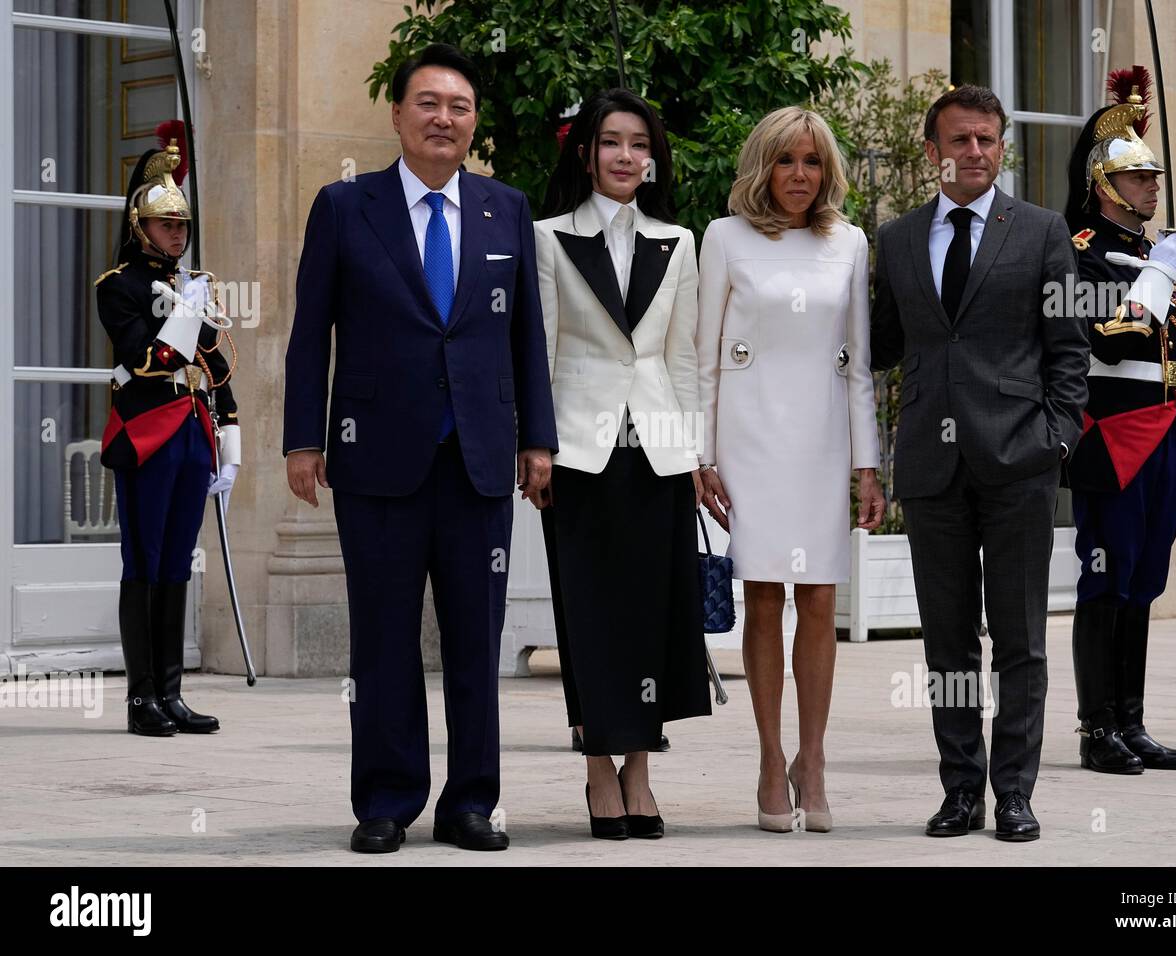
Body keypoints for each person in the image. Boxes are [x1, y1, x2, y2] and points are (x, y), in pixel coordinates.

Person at [282, 43, 557, 854]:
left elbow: (525, 339)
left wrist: (536, 439)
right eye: (429, 103)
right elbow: (308, 336)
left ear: (475, 123)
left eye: (460, 106)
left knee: (477, 637)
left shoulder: (505, 208)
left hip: (477, 458)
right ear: (398, 114)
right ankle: (386, 800)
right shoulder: (344, 206)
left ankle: (472, 801)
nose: (445, 118)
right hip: (376, 460)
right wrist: (304, 439)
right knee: (384, 638)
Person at [869, 86, 1089, 841]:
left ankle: (1015, 794)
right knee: (949, 641)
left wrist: (1057, 438)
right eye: (960, 140)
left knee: (1021, 637)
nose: (974, 153)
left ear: (1001, 148)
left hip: (1019, 460)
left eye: (987, 140)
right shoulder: (896, 240)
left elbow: (1069, 348)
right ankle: (960, 790)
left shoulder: (1042, 232)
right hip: (932, 466)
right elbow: (880, 346)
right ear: (933, 151)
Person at [696, 106, 884, 834]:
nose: (799, 175)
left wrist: (866, 466)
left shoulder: (850, 243)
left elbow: (860, 366)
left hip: (821, 440)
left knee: (819, 598)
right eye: (785, 161)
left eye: (811, 161)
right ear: (762, 167)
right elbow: (703, 358)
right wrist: (699, 455)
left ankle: (814, 760)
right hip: (747, 440)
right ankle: (770, 761)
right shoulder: (724, 237)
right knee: (764, 597)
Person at [534, 88, 712, 840]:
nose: (626, 157)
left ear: (653, 159)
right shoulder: (547, 238)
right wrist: (534, 446)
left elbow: (683, 360)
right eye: (612, 142)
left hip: (659, 456)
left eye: (640, 144)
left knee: (652, 619)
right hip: (578, 453)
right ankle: (598, 771)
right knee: (591, 616)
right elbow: (538, 352)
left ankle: (640, 770)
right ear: (586, 152)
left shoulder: (678, 242)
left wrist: (697, 455)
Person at [1063, 68, 1176, 774]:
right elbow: (1107, 335)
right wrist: (1157, 278)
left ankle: (1132, 722)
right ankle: (1096, 731)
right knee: (1106, 576)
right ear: (1105, 185)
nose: (1152, 187)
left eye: (1152, 176)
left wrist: (1159, 268)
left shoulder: (1149, 254)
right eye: (1140, 177)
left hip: (1164, 427)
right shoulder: (1079, 252)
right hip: (1112, 436)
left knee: (1143, 577)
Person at [96, 123, 238, 737]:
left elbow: (220, 364)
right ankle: (140, 698)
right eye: (166, 226)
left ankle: (172, 693)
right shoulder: (118, 287)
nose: (177, 235)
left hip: (191, 431)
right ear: (140, 226)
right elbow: (145, 359)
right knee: (145, 559)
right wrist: (184, 315)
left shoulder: (189, 286)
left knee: (178, 560)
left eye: (183, 227)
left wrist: (230, 431)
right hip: (147, 428)